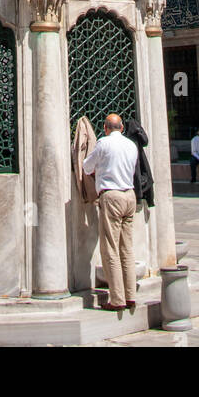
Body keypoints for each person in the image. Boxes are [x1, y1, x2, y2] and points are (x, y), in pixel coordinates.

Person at [83, 113, 139, 311]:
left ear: (106, 128)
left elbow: (86, 166)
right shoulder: (131, 146)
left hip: (112, 196)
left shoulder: (104, 143)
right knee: (127, 248)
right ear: (122, 128)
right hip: (130, 196)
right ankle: (131, 295)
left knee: (110, 248)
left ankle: (117, 299)